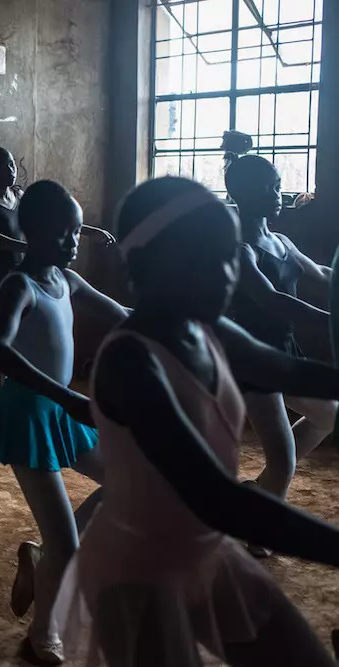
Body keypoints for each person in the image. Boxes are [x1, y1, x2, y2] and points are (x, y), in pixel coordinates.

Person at [54, 177, 339, 667]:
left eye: (232, 255)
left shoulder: (207, 327)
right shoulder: (131, 361)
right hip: (137, 570)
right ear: (156, 262)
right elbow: (216, 495)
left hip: (205, 551)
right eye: (213, 258)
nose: (230, 274)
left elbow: (286, 369)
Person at [0, 180, 127, 665]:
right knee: (69, 544)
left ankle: (41, 554)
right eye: (64, 233)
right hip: (27, 416)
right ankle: (44, 631)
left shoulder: (69, 281)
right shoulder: (19, 285)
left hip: (62, 411)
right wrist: (66, 395)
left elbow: (121, 313)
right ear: (33, 231)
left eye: (77, 233)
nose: (72, 242)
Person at [225, 156, 336, 554]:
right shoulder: (239, 248)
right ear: (244, 193)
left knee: (328, 414)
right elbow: (271, 301)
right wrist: (331, 318)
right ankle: (258, 532)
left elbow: (322, 274)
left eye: (278, 184)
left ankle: (259, 491)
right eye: (272, 187)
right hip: (253, 358)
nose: (280, 193)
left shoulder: (280, 241)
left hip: (284, 350)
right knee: (284, 459)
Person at [0, 147, 117, 308]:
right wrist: (30, 248)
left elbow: (51, 218)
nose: (11, 170)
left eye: (12, 164)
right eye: (3, 167)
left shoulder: (19, 196)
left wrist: (90, 232)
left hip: (23, 273)